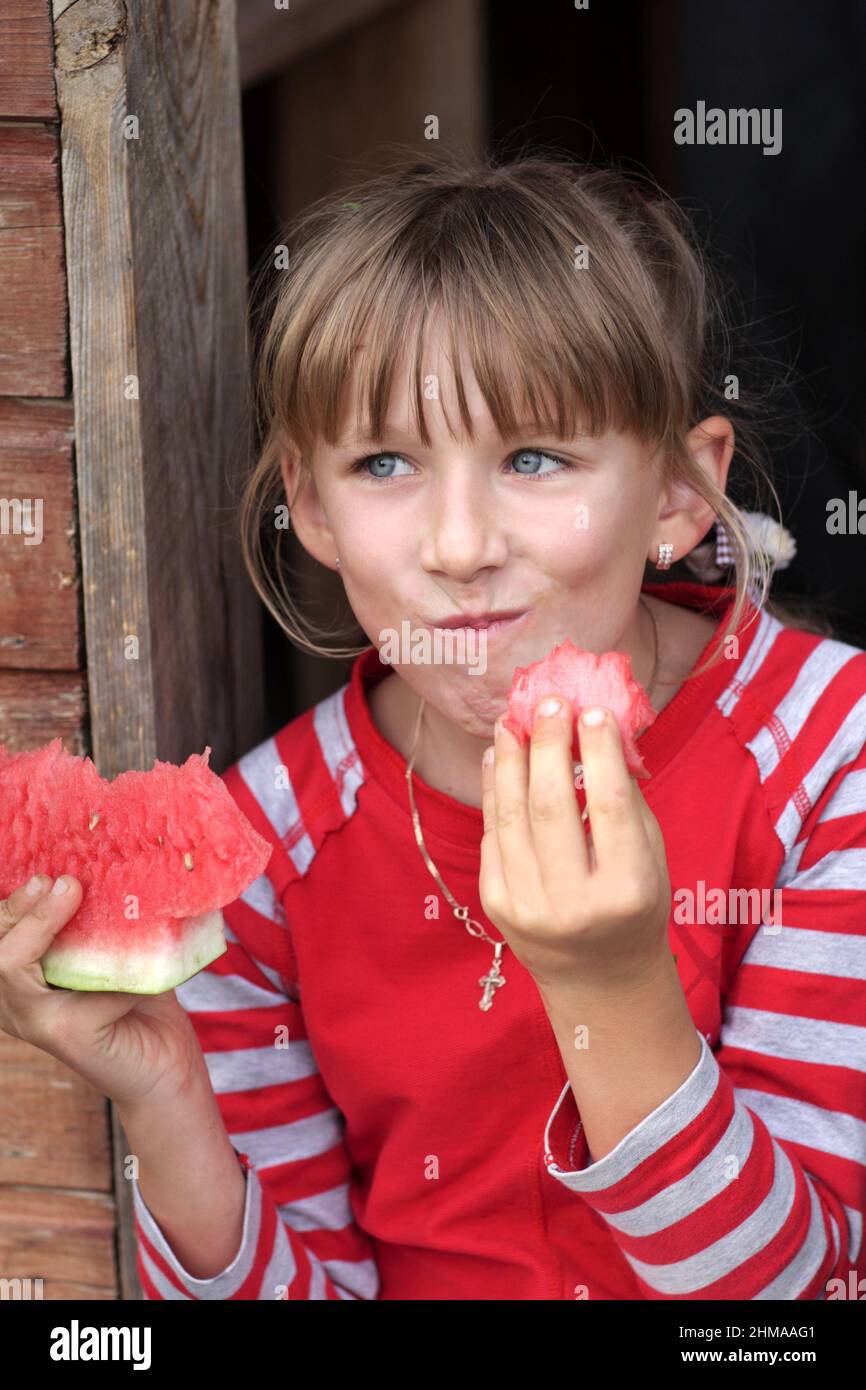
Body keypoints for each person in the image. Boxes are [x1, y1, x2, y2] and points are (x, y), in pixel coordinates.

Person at [2, 150, 864, 1300]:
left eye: (534, 456)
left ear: (672, 492)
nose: (458, 547)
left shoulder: (830, 755)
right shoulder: (263, 857)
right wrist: (167, 1109)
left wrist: (607, 985)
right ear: (309, 505)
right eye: (386, 463)